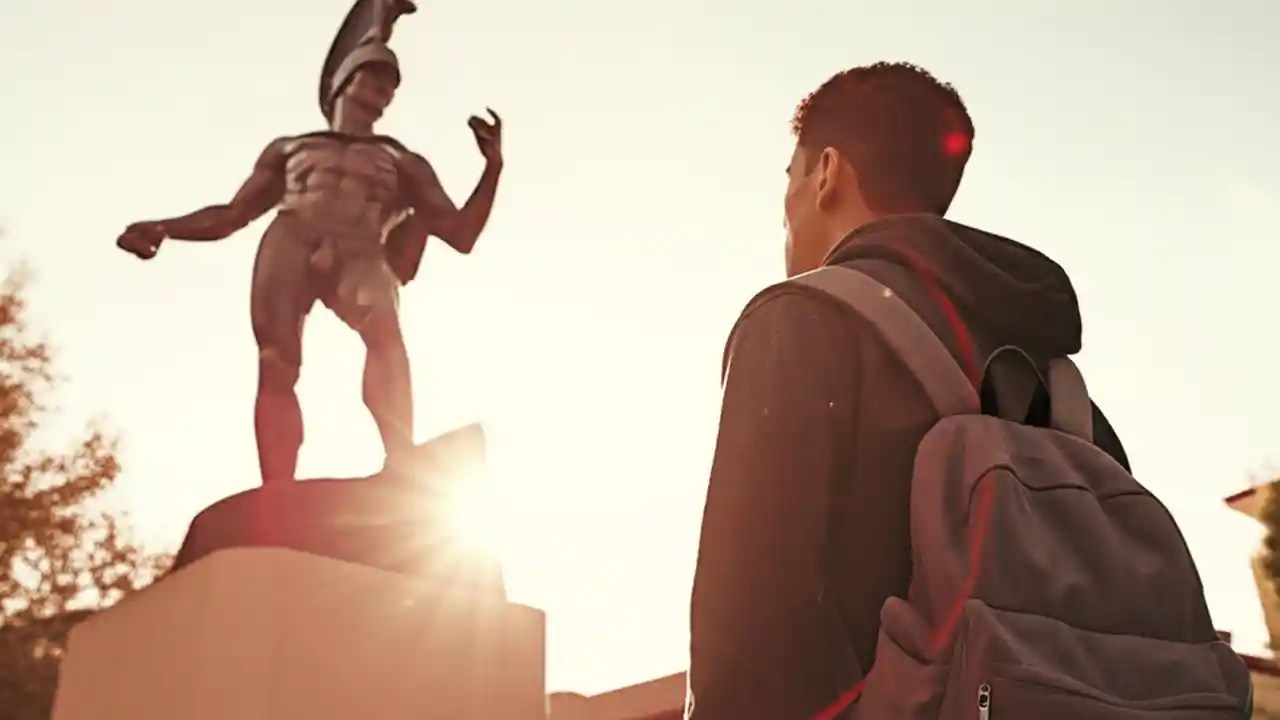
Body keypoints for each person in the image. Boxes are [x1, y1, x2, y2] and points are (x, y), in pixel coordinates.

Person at [685, 62, 1130, 718]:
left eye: (791, 177)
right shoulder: (1059, 385)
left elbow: (747, 641)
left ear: (827, 173)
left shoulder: (799, 324)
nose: (786, 206)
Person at [115, 0, 503, 484]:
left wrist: (493, 168)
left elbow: (460, 233)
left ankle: (400, 454)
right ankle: (277, 487)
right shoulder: (292, 148)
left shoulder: (401, 160)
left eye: (390, 86)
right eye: (374, 78)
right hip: (292, 237)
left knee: (385, 336)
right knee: (276, 359)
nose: (382, 91)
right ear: (345, 82)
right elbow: (232, 215)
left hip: (360, 249)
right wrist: (165, 227)